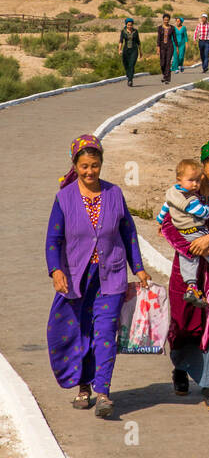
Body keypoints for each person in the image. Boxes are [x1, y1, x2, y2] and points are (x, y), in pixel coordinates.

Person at [45, 134, 149, 419]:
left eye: (95, 165)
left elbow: (128, 232)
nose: (90, 172)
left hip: (110, 276)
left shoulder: (114, 194)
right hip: (76, 277)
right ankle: (83, 387)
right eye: (84, 166)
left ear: (101, 164)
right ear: (75, 166)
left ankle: (103, 392)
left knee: (105, 333)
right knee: (82, 333)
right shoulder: (64, 199)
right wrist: (56, 270)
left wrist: (137, 266)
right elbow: (53, 239)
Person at [160, 140, 209, 409]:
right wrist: (192, 248)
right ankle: (180, 368)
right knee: (182, 322)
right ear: (203, 167)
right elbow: (167, 226)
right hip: (186, 268)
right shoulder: (184, 193)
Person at [156, 159, 209, 309]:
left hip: (183, 235)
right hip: (196, 231)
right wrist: (207, 210)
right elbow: (201, 213)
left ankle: (191, 287)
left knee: (189, 261)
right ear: (179, 179)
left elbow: (165, 209)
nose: (195, 184)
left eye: (197, 181)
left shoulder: (172, 194)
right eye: (191, 180)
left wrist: (159, 220)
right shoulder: (190, 199)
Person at [117, 18, 141, 87]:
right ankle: (129, 75)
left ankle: (130, 80)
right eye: (128, 25)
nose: (130, 26)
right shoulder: (123, 31)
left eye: (131, 25)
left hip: (134, 50)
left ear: (133, 25)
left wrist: (140, 51)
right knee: (126, 64)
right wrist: (119, 49)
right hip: (126, 51)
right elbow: (121, 41)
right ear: (126, 25)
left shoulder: (136, 31)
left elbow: (138, 42)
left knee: (131, 64)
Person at [156, 13, 177, 85]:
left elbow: (174, 38)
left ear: (169, 20)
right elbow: (158, 39)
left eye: (167, 20)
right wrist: (158, 48)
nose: (166, 21)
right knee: (162, 63)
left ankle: (167, 78)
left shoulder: (172, 28)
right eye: (165, 20)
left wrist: (177, 47)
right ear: (163, 20)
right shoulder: (159, 28)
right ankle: (164, 74)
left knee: (168, 62)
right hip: (162, 47)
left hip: (170, 46)